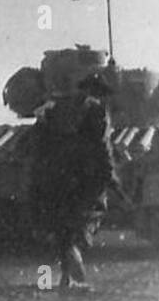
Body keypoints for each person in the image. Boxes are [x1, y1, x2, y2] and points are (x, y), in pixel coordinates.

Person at [31, 76, 115, 290]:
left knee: (59, 227)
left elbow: (38, 141)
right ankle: (76, 268)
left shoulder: (51, 108)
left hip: (55, 176)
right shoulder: (97, 110)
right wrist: (110, 175)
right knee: (87, 221)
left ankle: (55, 280)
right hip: (86, 177)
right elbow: (102, 146)